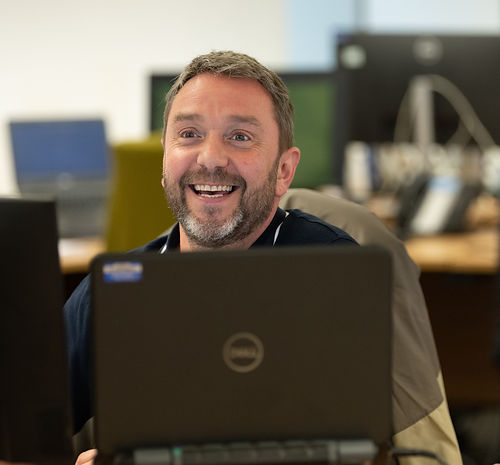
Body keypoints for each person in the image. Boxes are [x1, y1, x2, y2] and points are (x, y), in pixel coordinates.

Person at [65, 51, 461, 464]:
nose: (211, 157)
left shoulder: (331, 272)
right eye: (188, 134)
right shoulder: (112, 290)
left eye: (240, 137)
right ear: (164, 161)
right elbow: (19, 438)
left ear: (284, 171)